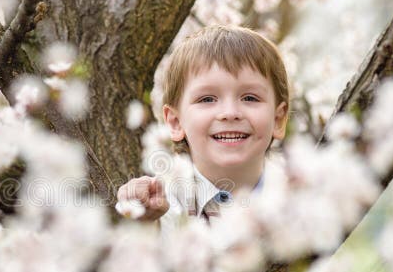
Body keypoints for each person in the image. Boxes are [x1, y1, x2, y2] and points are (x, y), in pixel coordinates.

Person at [117, 25, 290, 227]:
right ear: (175, 122)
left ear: (278, 120)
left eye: (250, 97)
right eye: (207, 99)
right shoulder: (161, 204)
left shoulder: (301, 198)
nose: (230, 113)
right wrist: (144, 220)